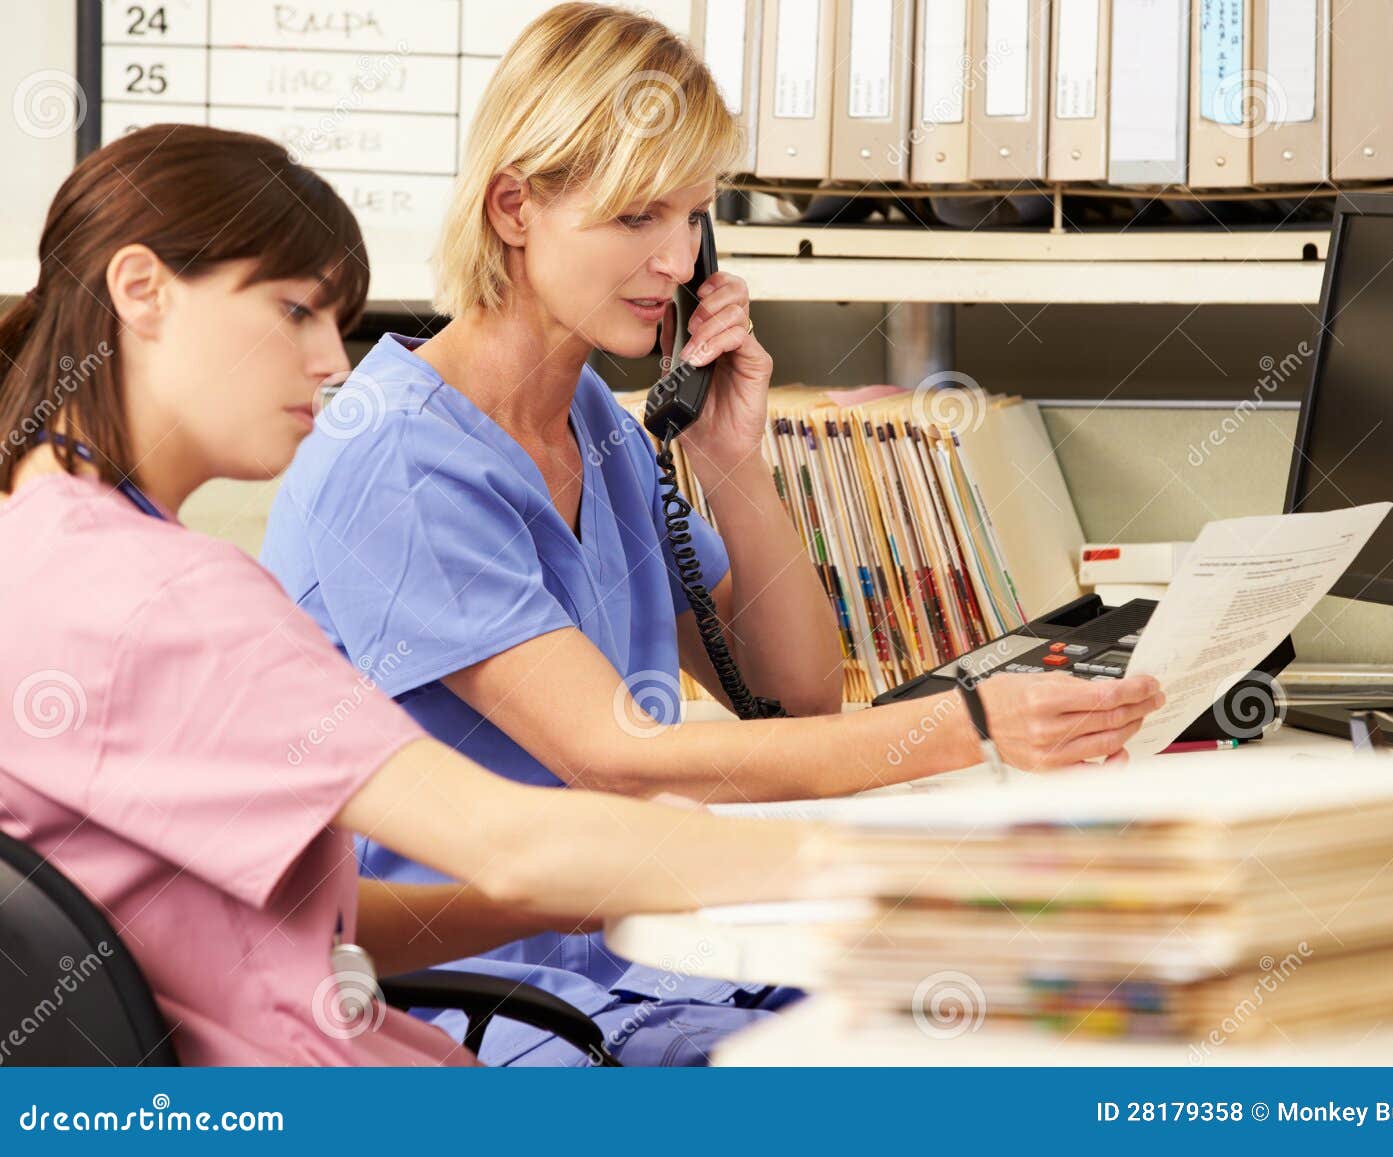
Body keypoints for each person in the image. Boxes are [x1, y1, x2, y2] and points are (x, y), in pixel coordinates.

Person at [260, 3, 1163, 1064]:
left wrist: (732, 457)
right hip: (467, 990)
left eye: (696, 217)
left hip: (634, 940)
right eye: (639, 216)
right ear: (515, 207)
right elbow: (620, 757)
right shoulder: (403, 459)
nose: (679, 261)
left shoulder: (596, 418)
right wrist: (972, 718)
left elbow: (787, 693)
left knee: (1042, 1014)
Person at [0, 124, 829, 1067]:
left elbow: (305, 932)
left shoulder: (39, 551)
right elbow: (506, 840)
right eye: (294, 311)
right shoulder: (178, 597)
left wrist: (594, 886)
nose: (330, 363)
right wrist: (900, 869)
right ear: (141, 290)